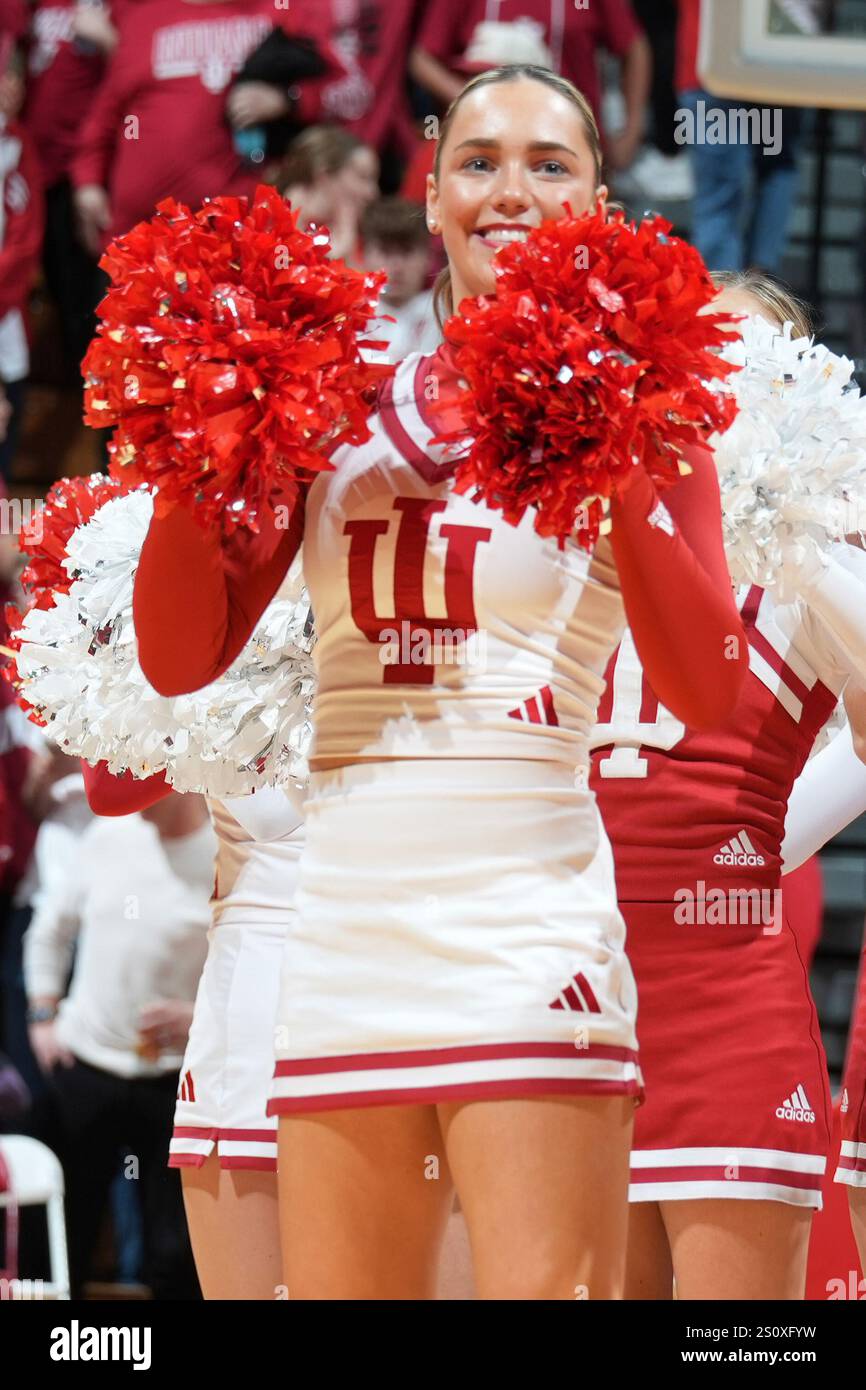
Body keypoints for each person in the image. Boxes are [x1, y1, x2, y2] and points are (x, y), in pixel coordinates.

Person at [130, 64, 747, 1300]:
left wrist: (616, 448)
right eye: (477, 161)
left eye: (547, 164)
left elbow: (706, 691)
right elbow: (177, 655)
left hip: (526, 935)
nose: (509, 189)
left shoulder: (656, 402)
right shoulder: (338, 397)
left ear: (599, 200)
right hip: (345, 934)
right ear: (430, 195)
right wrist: (212, 427)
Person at [590, 270, 866, 1300]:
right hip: (574, 999)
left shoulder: (811, 568)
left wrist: (782, 831)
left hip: (725, 1006)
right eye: (691, 354)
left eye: (744, 361)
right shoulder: (588, 531)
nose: (712, 384)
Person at [23, 789, 215, 1297]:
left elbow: (251, 961)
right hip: (85, 1064)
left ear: (183, 778)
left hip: (176, 1080)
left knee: (176, 1250)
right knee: (65, 1235)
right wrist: (43, 1012)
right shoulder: (108, 836)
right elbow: (51, 929)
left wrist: (203, 1017)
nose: (127, 794)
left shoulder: (225, 851)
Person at [70, 0, 342, 253]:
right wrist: (88, 183)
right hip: (144, 239)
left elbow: (346, 91)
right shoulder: (144, 17)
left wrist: (288, 99)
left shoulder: (281, 11)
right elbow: (107, 113)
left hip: (242, 239)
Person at [410, 0, 651, 173]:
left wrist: (632, 131)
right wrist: (478, 101)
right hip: (484, 146)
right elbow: (422, 58)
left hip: (574, 148)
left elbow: (634, 47)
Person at [675, 0, 814, 272]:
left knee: (724, 196)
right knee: (774, 171)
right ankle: (748, 296)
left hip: (719, 62)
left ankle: (725, 303)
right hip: (771, 60)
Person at [0, 34, 44, 482]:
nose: (10, 86)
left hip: (3, 313)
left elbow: (26, 237)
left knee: (8, 410)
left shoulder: (19, 147)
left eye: (15, 76)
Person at [276, 124, 379, 264]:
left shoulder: (368, 237)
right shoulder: (276, 231)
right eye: (363, 177)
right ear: (324, 176)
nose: (373, 193)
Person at [360, 195, 441, 361]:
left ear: (428, 257)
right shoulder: (347, 319)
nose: (397, 266)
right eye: (386, 252)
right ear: (365, 255)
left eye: (407, 252)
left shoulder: (447, 315)